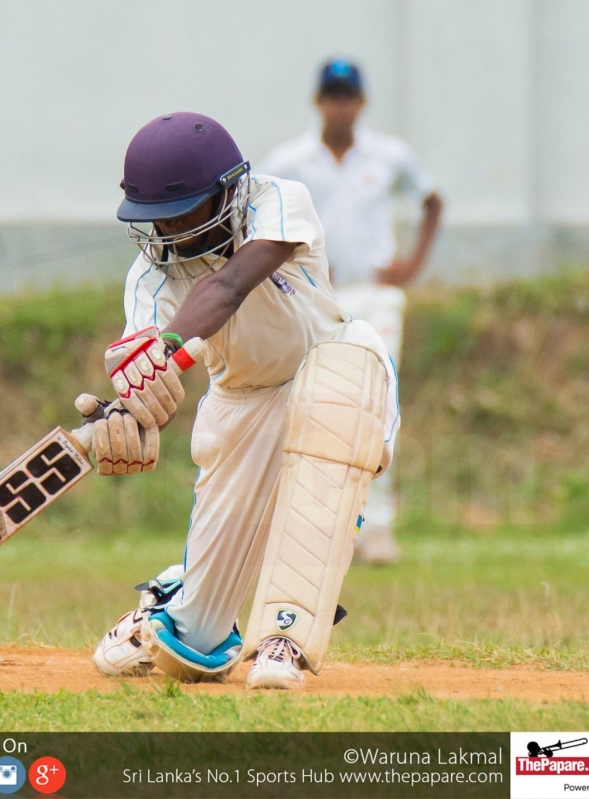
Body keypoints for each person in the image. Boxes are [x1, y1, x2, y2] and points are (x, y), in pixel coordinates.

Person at [86, 112, 400, 689]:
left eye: (181, 212)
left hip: (335, 365)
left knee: (323, 465)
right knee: (195, 645)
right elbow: (145, 374)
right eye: (156, 218)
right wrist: (131, 415)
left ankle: (284, 638)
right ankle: (174, 600)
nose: (169, 230)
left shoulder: (278, 200)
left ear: (227, 190)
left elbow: (228, 287)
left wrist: (171, 347)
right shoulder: (148, 277)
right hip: (241, 403)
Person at [261, 59, 443, 564]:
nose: (341, 105)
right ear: (319, 101)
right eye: (333, 96)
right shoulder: (292, 160)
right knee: (311, 403)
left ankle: (376, 526)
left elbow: (431, 201)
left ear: (361, 103)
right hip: (316, 298)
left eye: (349, 97)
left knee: (378, 403)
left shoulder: (387, 155)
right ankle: (313, 524)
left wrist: (409, 265)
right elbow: (258, 213)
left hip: (374, 293)